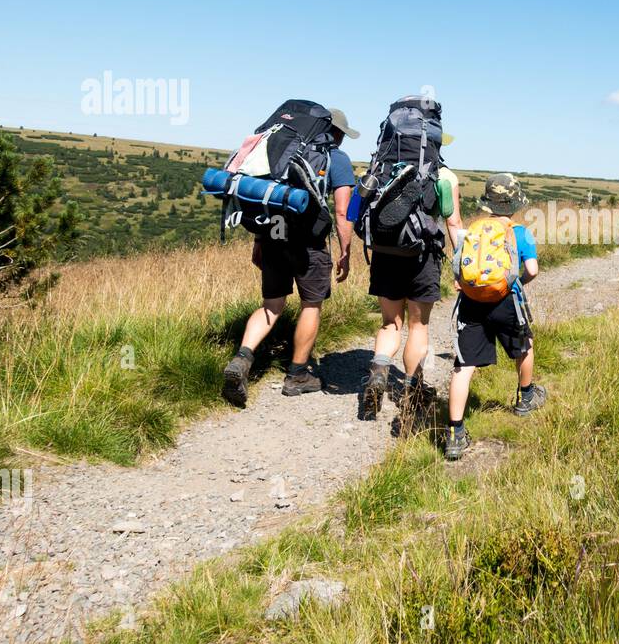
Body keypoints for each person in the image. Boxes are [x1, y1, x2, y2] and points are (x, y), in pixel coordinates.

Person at [221, 107, 357, 405]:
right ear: (334, 132)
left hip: (272, 236)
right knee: (311, 304)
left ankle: (243, 359)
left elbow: (268, 196)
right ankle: (297, 375)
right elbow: (343, 211)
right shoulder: (337, 158)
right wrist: (346, 250)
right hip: (309, 243)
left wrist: (259, 241)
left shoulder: (282, 151)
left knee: (271, 305)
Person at [361, 117, 463, 416]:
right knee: (419, 325)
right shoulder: (445, 175)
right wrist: (461, 266)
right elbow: (453, 222)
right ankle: (411, 388)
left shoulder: (378, 168)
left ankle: (379, 371)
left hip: (384, 254)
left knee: (390, 323)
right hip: (423, 257)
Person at [445, 173, 547, 461]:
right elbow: (534, 268)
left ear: (487, 202)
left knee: (464, 365)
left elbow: (459, 270)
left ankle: (455, 434)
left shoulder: (473, 231)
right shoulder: (520, 232)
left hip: (472, 302)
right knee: (523, 345)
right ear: (514, 202)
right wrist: (517, 282)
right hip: (507, 300)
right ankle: (525, 398)